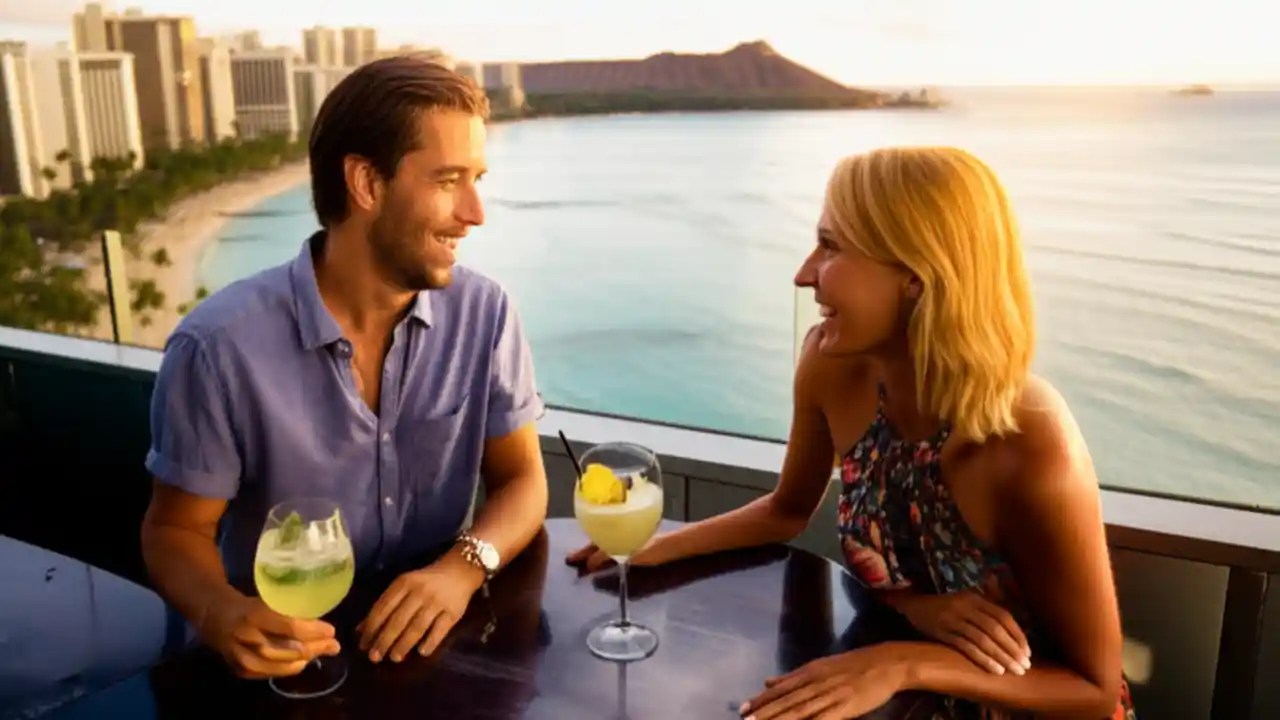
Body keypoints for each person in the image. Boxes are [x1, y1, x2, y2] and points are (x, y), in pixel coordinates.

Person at [569, 147, 1136, 719]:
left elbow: (1095, 690)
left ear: (915, 276)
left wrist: (904, 663)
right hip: (890, 691)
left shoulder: (1029, 441)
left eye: (831, 246)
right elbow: (787, 511)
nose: (804, 274)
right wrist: (656, 546)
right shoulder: (829, 365)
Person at [141, 55, 549, 680]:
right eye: (448, 180)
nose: (475, 212)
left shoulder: (487, 314)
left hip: (432, 650)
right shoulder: (217, 348)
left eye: (477, 179)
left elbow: (523, 480)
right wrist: (222, 613)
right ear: (365, 183)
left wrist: (461, 570)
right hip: (280, 660)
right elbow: (174, 531)